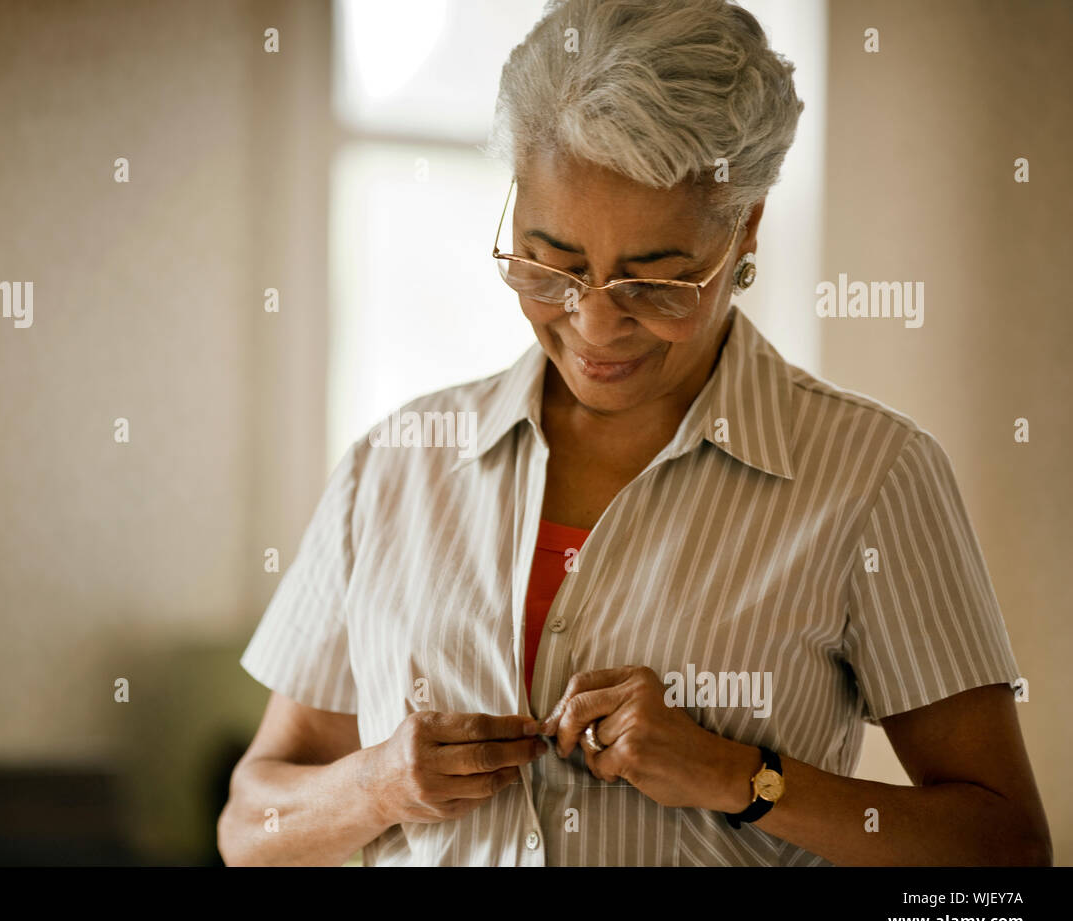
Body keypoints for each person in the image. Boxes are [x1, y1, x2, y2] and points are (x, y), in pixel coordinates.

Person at [217, 0, 1051, 866]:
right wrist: (378, 784)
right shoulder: (393, 463)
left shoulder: (874, 475)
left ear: (747, 226)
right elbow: (249, 830)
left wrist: (739, 777)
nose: (594, 325)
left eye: (658, 282)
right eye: (552, 265)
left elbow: (1006, 853)